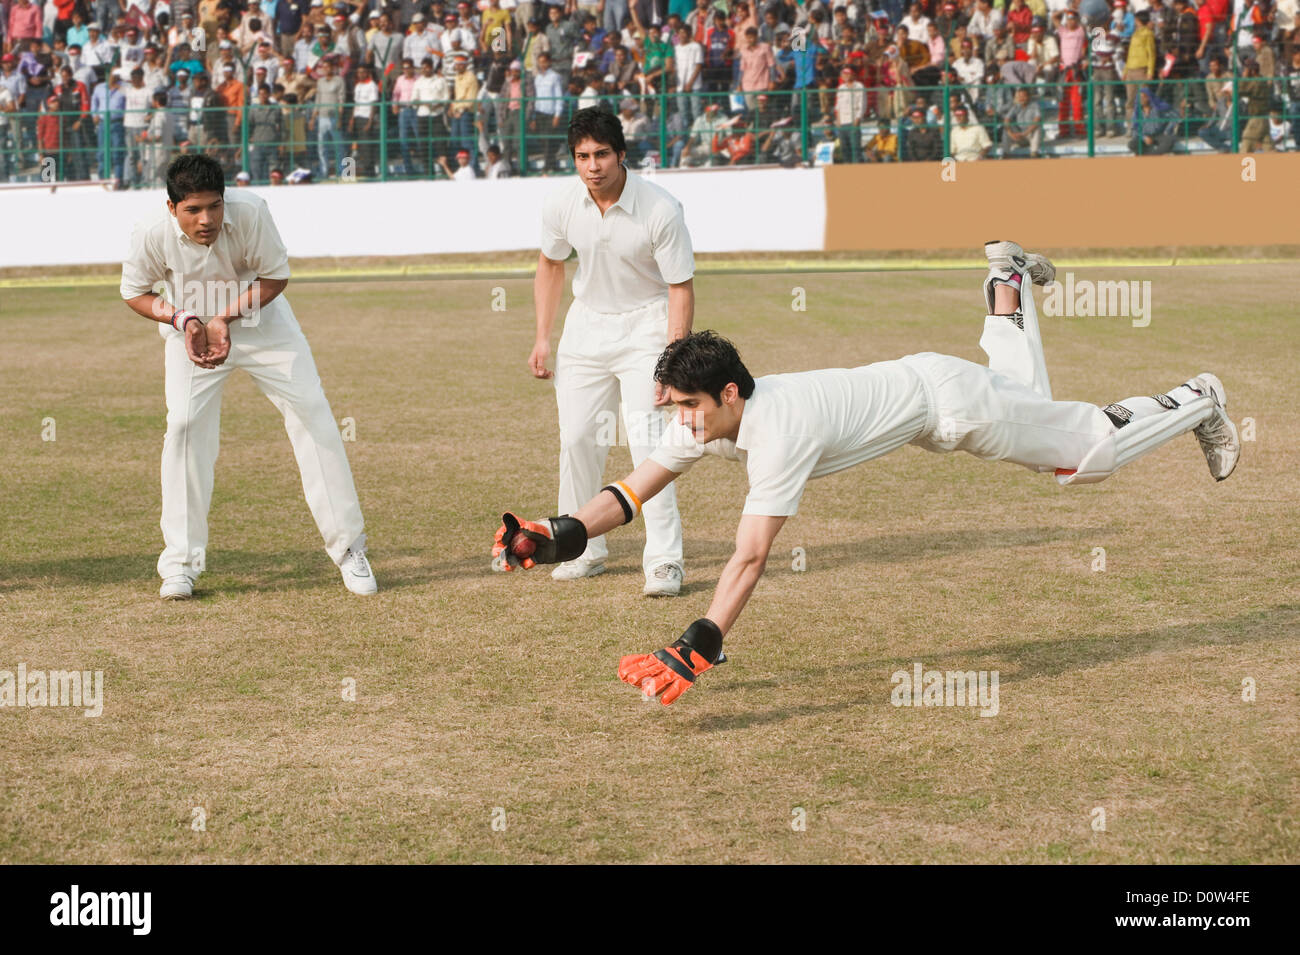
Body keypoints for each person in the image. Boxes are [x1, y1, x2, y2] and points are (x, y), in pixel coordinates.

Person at [493, 241, 1241, 705]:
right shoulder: (710, 417)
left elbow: (750, 555)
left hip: (953, 409)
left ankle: (1198, 397)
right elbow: (632, 490)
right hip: (927, 387)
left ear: (728, 393)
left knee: (1087, 454)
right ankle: (1007, 279)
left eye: (687, 405)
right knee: (1040, 404)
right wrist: (557, 535)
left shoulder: (777, 429)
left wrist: (700, 642)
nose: (678, 420)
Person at [119, 154, 377, 600]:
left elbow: (275, 277)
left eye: (214, 206)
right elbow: (135, 292)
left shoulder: (252, 210)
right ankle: (181, 563)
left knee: (313, 415)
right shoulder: (150, 232)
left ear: (225, 199)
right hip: (192, 333)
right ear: (171, 207)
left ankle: (349, 548)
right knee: (183, 428)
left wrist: (224, 318)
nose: (206, 220)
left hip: (264, 326)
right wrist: (185, 320)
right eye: (193, 210)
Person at [526, 107, 695, 596]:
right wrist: (542, 336)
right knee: (577, 438)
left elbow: (680, 287)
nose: (593, 166)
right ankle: (582, 548)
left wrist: (671, 361)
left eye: (602, 154)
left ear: (622, 155)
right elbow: (550, 266)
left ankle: (664, 561)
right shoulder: (560, 203)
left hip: (647, 327)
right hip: (586, 329)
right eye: (583, 156)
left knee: (649, 445)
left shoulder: (661, 208)